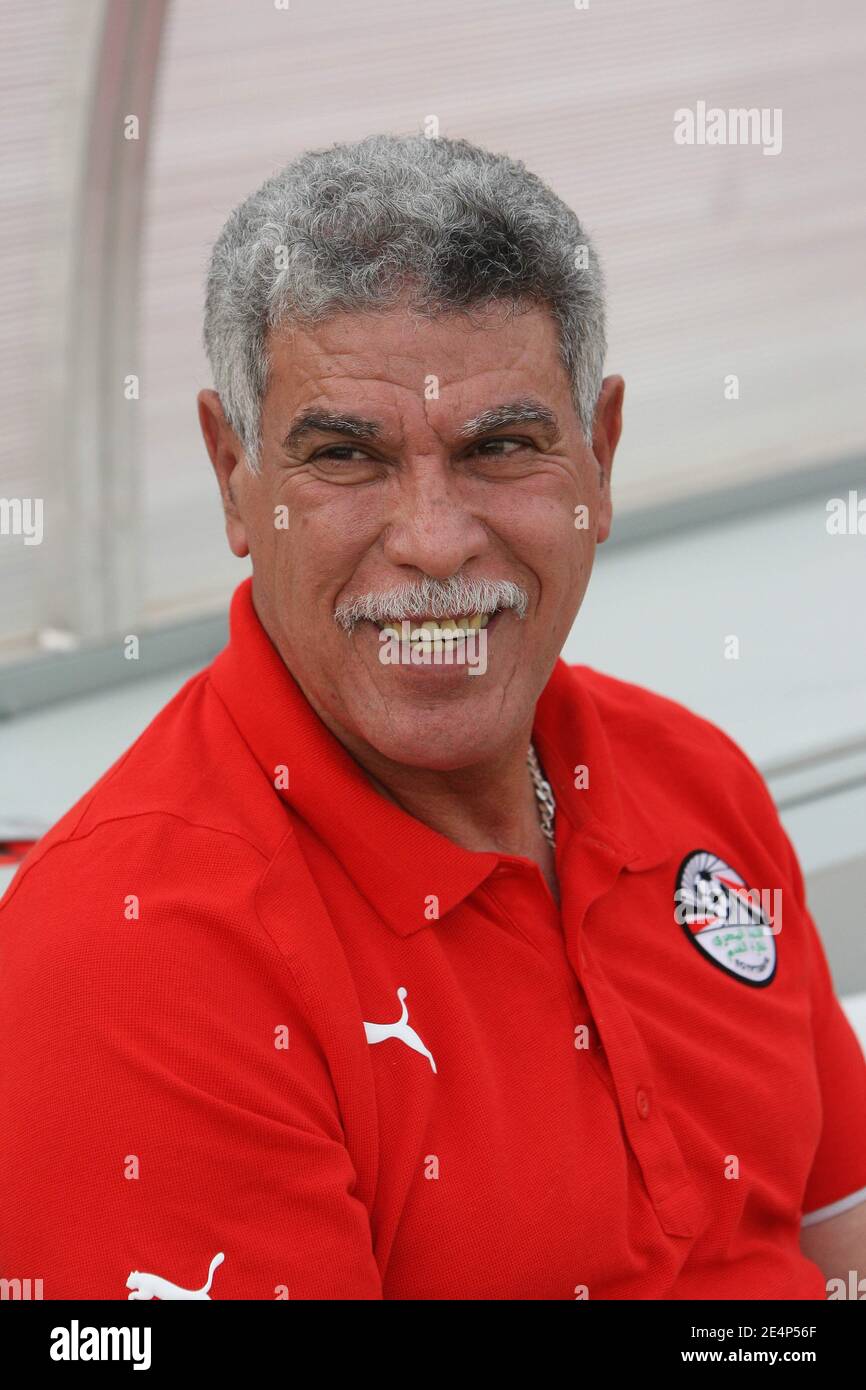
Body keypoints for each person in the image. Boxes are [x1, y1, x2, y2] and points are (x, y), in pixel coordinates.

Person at [1, 133, 864, 1300]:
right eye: (346, 458)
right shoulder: (128, 956)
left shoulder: (692, 776)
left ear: (597, 460)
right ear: (231, 478)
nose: (435, 539)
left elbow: (835, 1239)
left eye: (500, 447)